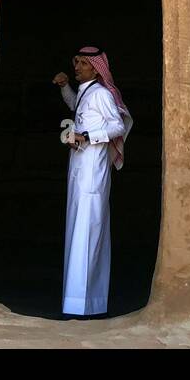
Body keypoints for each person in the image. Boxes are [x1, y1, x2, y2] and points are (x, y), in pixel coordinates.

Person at [52, 46, 133, 317]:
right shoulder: (87, 92)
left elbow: (117, 125)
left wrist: (88, 136)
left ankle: (88, 304)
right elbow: (76, 106)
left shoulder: (101, 94)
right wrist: (64, 87)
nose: (77, 67)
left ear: (96, 68)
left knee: (90, 230)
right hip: (78, 169)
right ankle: (75, 302)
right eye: (76, 62)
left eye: (84, 63)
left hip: (93, 172)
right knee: (78, 229)